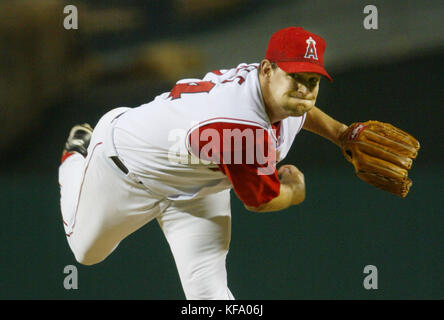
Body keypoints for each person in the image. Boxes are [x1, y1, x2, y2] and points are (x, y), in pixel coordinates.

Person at [58, 26, 348, 299]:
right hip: (123, 168)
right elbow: (261, 200)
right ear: (267, 70)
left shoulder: (271, 89)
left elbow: (302, 110)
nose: (305, 89)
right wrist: (295, 192)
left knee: (210, 297)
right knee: (86, 252)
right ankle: (75, 154)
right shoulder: (239, 125)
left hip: (197, 186)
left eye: (312, 80)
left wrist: (341, 134)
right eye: (295, 77)